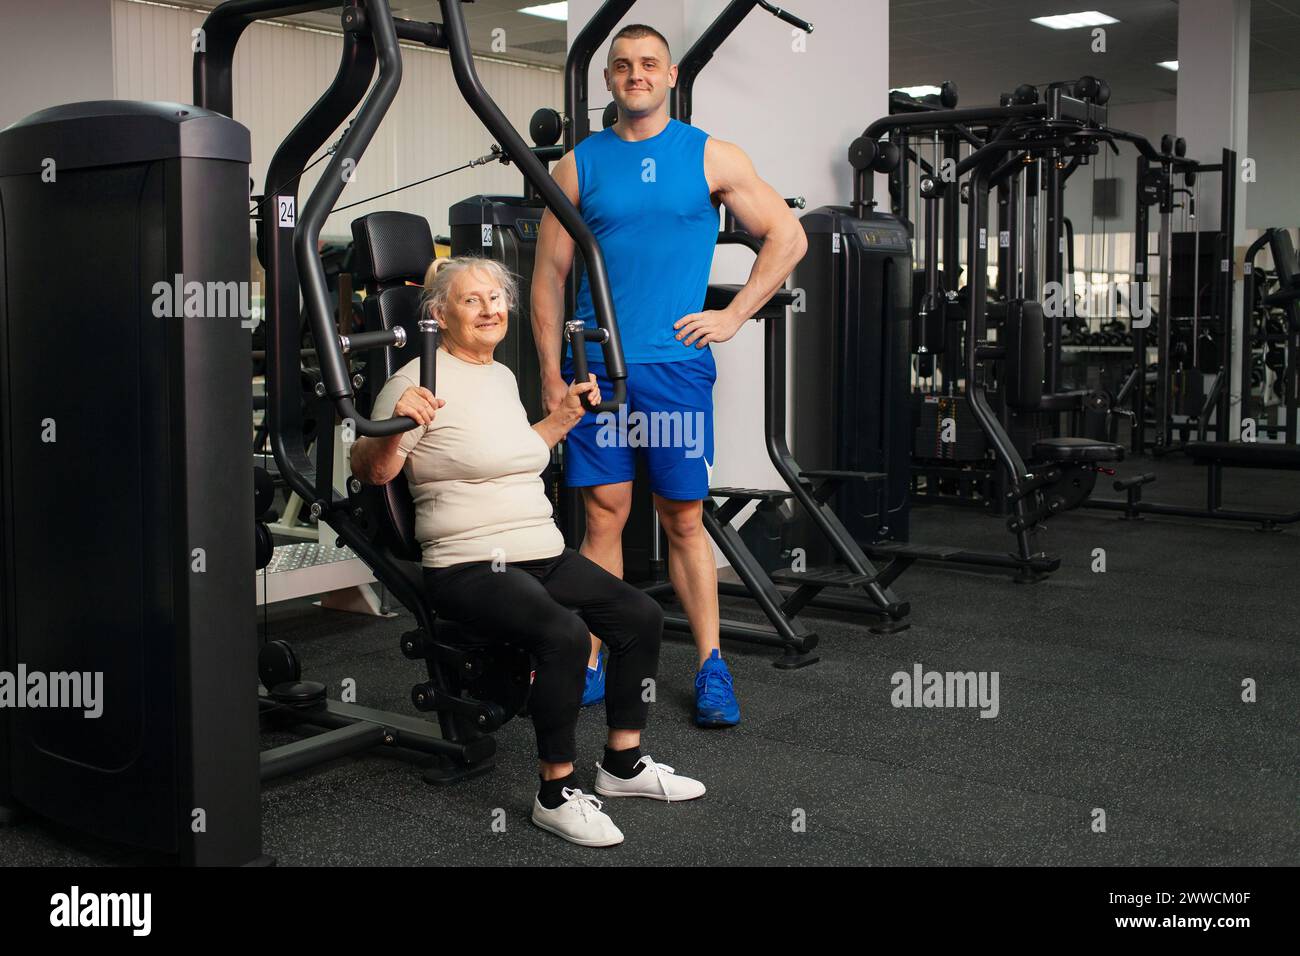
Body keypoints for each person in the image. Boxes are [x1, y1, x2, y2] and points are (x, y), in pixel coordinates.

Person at [350, 256, 705, 848]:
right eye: (472, 301)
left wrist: (562, 418)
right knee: (564, 633)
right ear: (439, 314)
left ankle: (622, 766)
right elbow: (371, 469)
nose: (490, 309)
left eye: (496, 298)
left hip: (541, 549)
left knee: (640, 616)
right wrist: (393, 428)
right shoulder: (419, 379)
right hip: (467, 561)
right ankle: (555, 792)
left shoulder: (500, 377)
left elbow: (515, 452)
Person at [532, 23, 808, 727]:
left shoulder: (711, 155)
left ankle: (712, 666)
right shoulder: (579, 165)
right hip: (595, 370)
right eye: (622, 65)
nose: (636, 74)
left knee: (683, 517)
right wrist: (549, 377)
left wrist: (735, 315)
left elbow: (788, 236)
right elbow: (547, 278)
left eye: (648, 63)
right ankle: (596, 656)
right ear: (609, 81)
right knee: (602, 515)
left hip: (676, 370)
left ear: (671, 74)